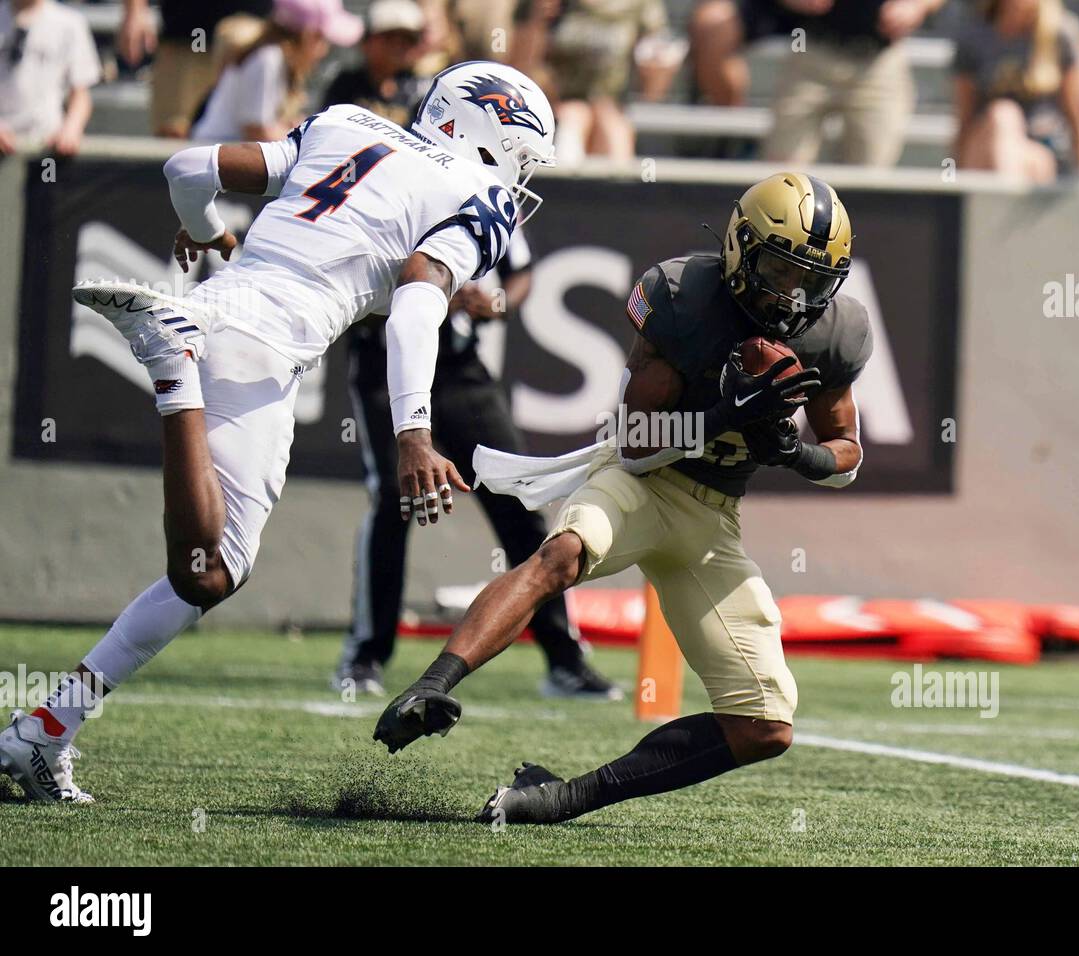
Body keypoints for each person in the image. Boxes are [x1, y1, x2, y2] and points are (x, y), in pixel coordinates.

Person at [0, 62, 557, 803]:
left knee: (203, 569)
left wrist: (211, 237)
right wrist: (415, 431)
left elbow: (189, 166)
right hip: (265, 347)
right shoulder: (474, 190)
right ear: (487, 133)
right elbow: (422, 302)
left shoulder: (344, 122)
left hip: (218, 311)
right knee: (212, 567)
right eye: (520, 156)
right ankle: (171, 374)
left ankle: (46, 730)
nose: (517, 179)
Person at [372, 172, 873, 825]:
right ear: (741, 248)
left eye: (810, 277)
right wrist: (723, 414)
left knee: (765, 723)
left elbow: (845, 452)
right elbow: (635, 442)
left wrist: (791, 453)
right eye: (780, 267)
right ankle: (431, 688)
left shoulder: (834, 332)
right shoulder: (685, 298)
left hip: (712, 517)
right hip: (641, 482)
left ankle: (563, 796)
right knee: (563, 555)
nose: (793, 292)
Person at [336, 227, 620, 700]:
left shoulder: (485, 189)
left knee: (519, 495)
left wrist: (495, 302)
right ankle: (366, 654)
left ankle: (564, 658)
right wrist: (401, 302)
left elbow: (520, 274)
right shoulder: (395, 178)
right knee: (392, 499)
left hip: (458, 368)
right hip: (388, 366)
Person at [761, 0, 946, 167]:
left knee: (869, 177)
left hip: (878, 62)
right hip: (812, 55)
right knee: (783, 176)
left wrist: (916, 6)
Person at [511, 0, 675, 162]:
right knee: (573, 119)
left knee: (613, 130)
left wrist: (655, 68)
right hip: (554, 106)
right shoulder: (543, 6)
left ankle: (616, 187)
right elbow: (520, 72)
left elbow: (653, 91)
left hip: (612, 106)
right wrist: (537, 22)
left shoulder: (640, 6)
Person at [953, 0, 1079, 181]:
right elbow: (965, 116)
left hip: (1040, 150)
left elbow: (1077, 113)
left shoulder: (1062, 33)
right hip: (983, 144)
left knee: (1006, 124)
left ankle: (1003, 199)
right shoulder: (973, 36)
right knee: (1003, 115)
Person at [191, 0, 362, 143]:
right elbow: (256, 131)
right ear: (308, 36)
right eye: (322, 39)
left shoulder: (274, 58)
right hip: (215, 167)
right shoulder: (267, 59)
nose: (324, 51)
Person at [117, 0, 273, 139]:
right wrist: (135, 10)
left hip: (254, 36)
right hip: (189, 36)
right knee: (174, 137)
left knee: (261, 140)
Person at [0, 0, 99, 157]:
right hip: (3, 144)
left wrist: (72, 127)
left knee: (49, 179)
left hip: (47, 145)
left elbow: (81, 94)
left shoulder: (70, 23)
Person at [320, 0, 429, 128]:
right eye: (390, 37)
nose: (399, 45)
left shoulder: (421, 91)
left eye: (408, 39)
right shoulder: (346, 86)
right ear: (367, 41)